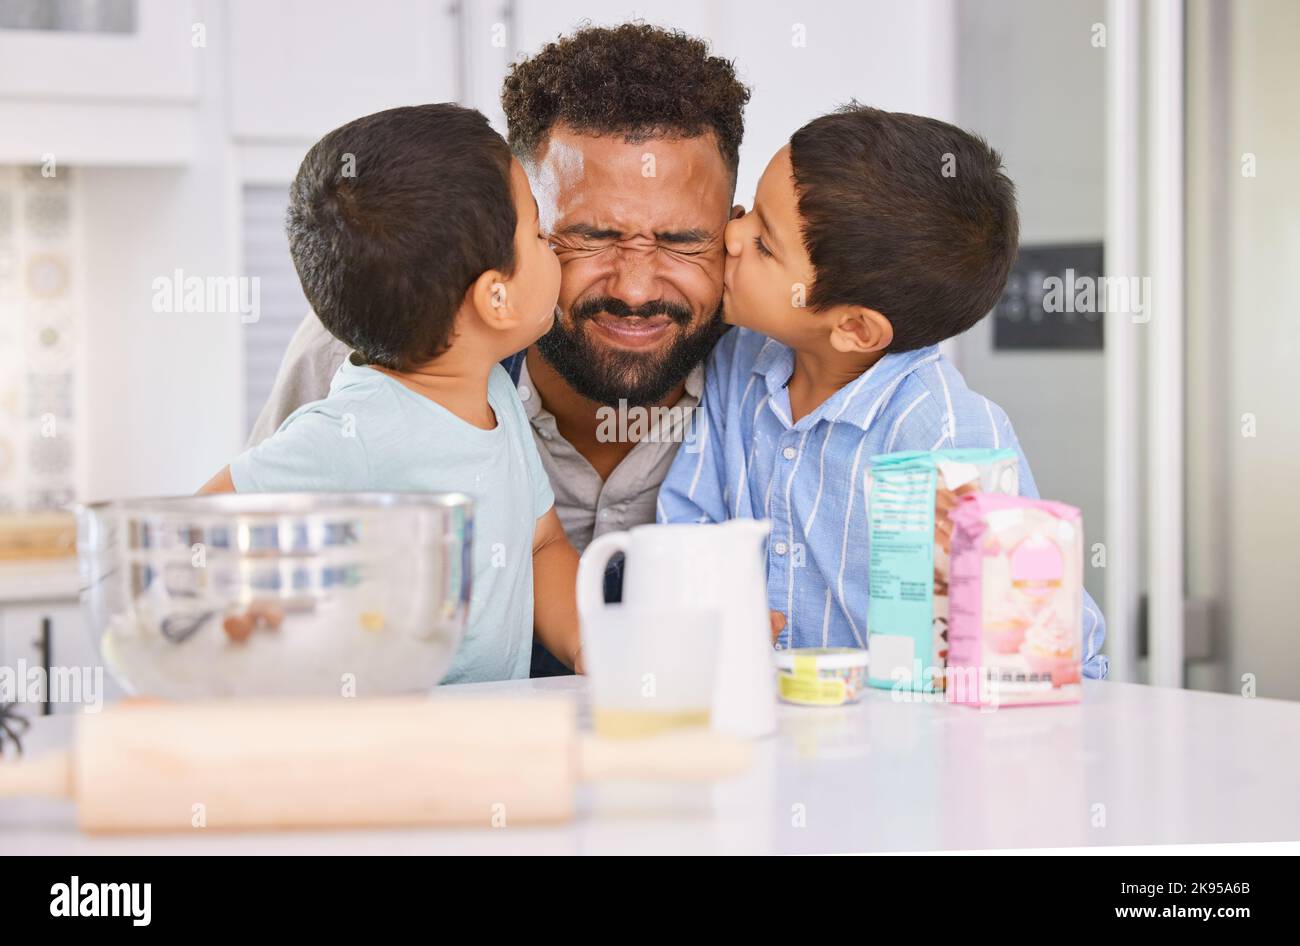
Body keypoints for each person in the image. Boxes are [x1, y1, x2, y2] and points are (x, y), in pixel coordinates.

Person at [246, 24, 752, 675]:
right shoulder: (367, 359)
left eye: (683, 240)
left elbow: (540, 549)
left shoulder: (785, 378)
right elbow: (236, 562)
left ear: (733, 237)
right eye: (588, 237)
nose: (633, 288)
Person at [656, 106, 1108, 679]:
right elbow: (689, 519)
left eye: (765, 244)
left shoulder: (945, 436)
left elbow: (1048, 661)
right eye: (749, 211)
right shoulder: (738, 360)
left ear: (855, 328)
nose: (731, 235)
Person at [200, 103, 581, 683]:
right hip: (386, 751)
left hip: (488, 741)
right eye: (535, 231)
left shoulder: (495, 397)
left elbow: (541, 546)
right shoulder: (349, 434)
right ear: (494, 299)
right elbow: (195, 534)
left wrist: (589, 642)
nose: (552, 242)